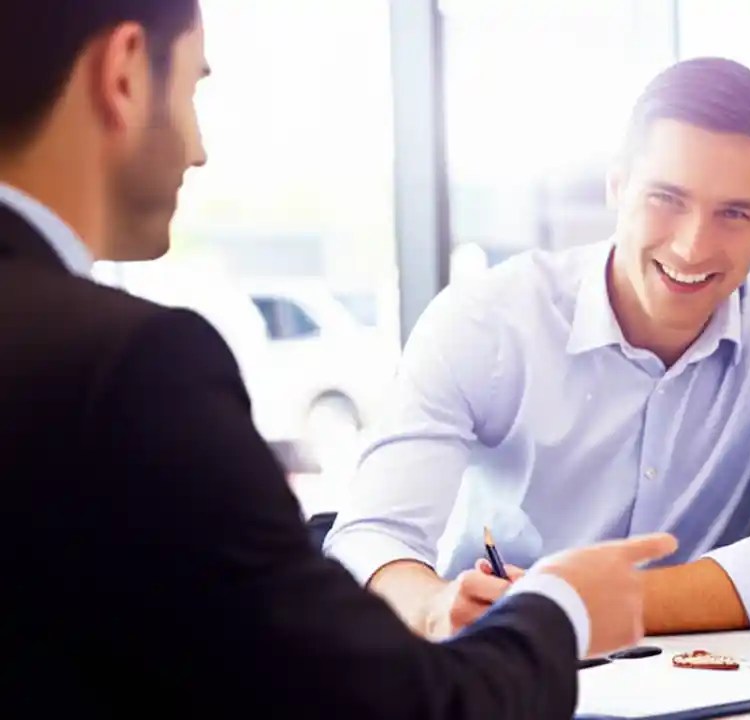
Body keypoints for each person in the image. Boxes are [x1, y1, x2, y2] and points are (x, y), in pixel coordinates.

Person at [0, 2, 676, 716]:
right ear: (126, 72)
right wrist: (561, 608)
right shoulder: (133, 365)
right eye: (194, 89)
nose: (198, 149)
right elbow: (388, 706)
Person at [324, 57, 750, 637]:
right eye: (666, 198)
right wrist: (434, 605)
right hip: (492, 661)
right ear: (617, 186)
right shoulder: (486, 320)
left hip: (694, 671)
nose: (692, 246)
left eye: (734, 214)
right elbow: (372, 535)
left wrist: (565, 606)